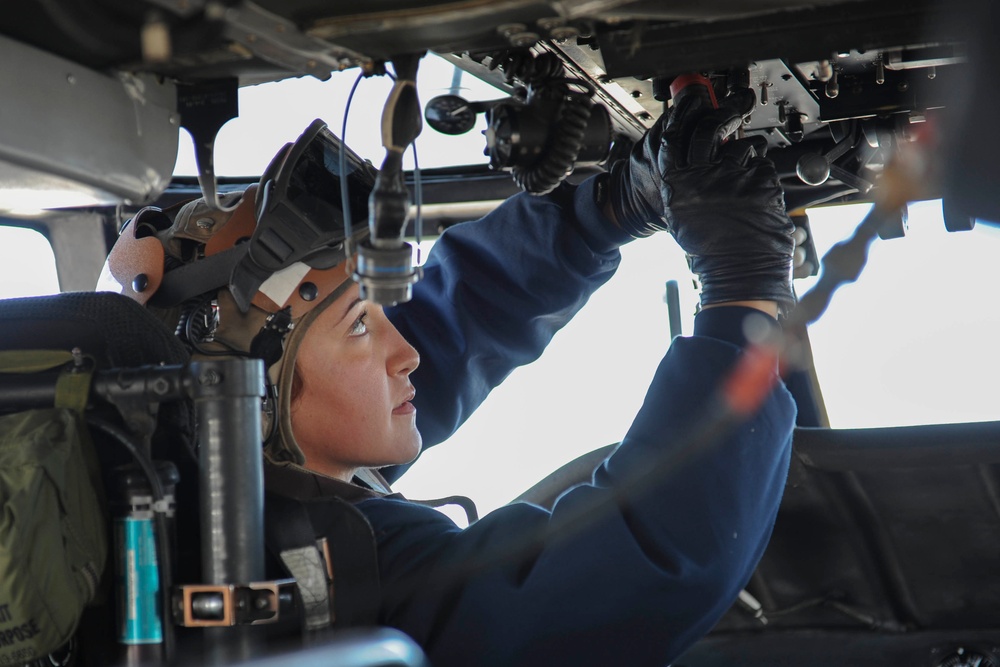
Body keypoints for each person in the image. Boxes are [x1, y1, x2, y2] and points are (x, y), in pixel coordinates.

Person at [100, 85, 797, 666]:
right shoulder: (330, 567)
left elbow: (455, 320)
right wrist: (745, 290)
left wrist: (609, 206)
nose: (405, 353)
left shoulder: (223, 479)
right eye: (362, 326)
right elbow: (655, 555)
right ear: (248, 397)